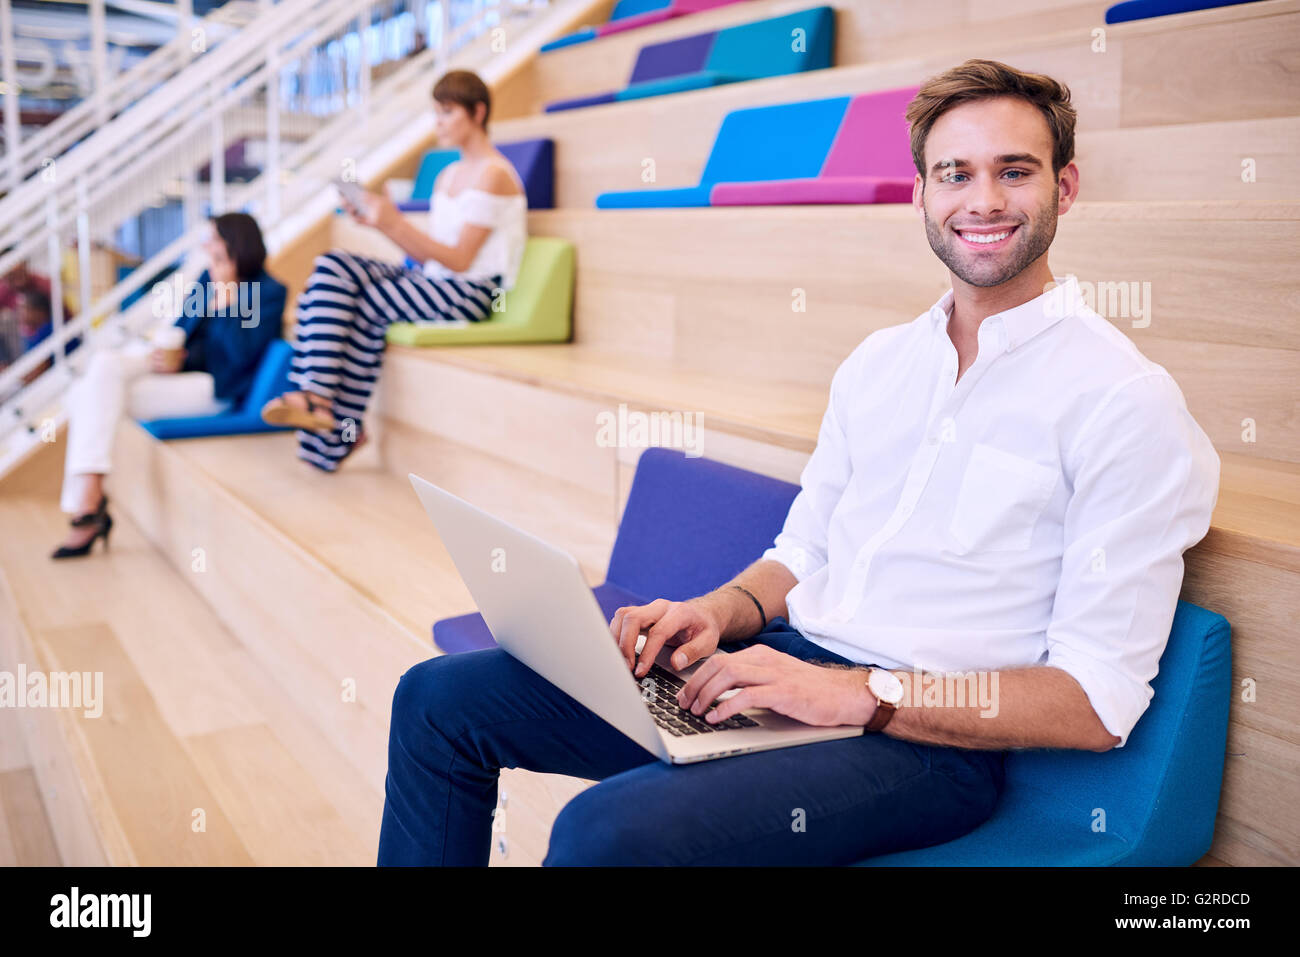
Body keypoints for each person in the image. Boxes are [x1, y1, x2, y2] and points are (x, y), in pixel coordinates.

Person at [376, 59, 1224, 867]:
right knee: (437, 701)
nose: (983, 200)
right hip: (779, 666)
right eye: (955, 173)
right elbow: (805, 550)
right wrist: (715, 611)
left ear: (1064, 187)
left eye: (1015, 171)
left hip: (921, 746)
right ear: (922, 194)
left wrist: (861, 694)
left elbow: (1094, 702)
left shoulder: (1124, 400)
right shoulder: (878, 363)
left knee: (605, 832)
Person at [260, 69, 527, 472]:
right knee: (331, 266)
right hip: (437, 282)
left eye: (447, 112)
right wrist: (377, 223)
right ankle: (324, 405)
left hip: (475, 291)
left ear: (478, 112)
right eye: (435, 112)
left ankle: (328, 412)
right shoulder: (447, 175)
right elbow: (431, 259)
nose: (437, 122)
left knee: (364, 301)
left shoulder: (495, 174)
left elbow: (460, 261)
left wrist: (392, 222)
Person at [52, 213, 286, 559]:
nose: (207, 247)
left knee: (87, 395)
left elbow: (237, 356)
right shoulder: (206, 278)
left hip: (214, 388)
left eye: (214, 239)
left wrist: (227, 299)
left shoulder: (263, 291)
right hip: (179, 372)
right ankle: (90, 494)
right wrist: (175, 356)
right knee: (102, 368)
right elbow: (181, 328)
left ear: (235, 244)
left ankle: (88, 504)